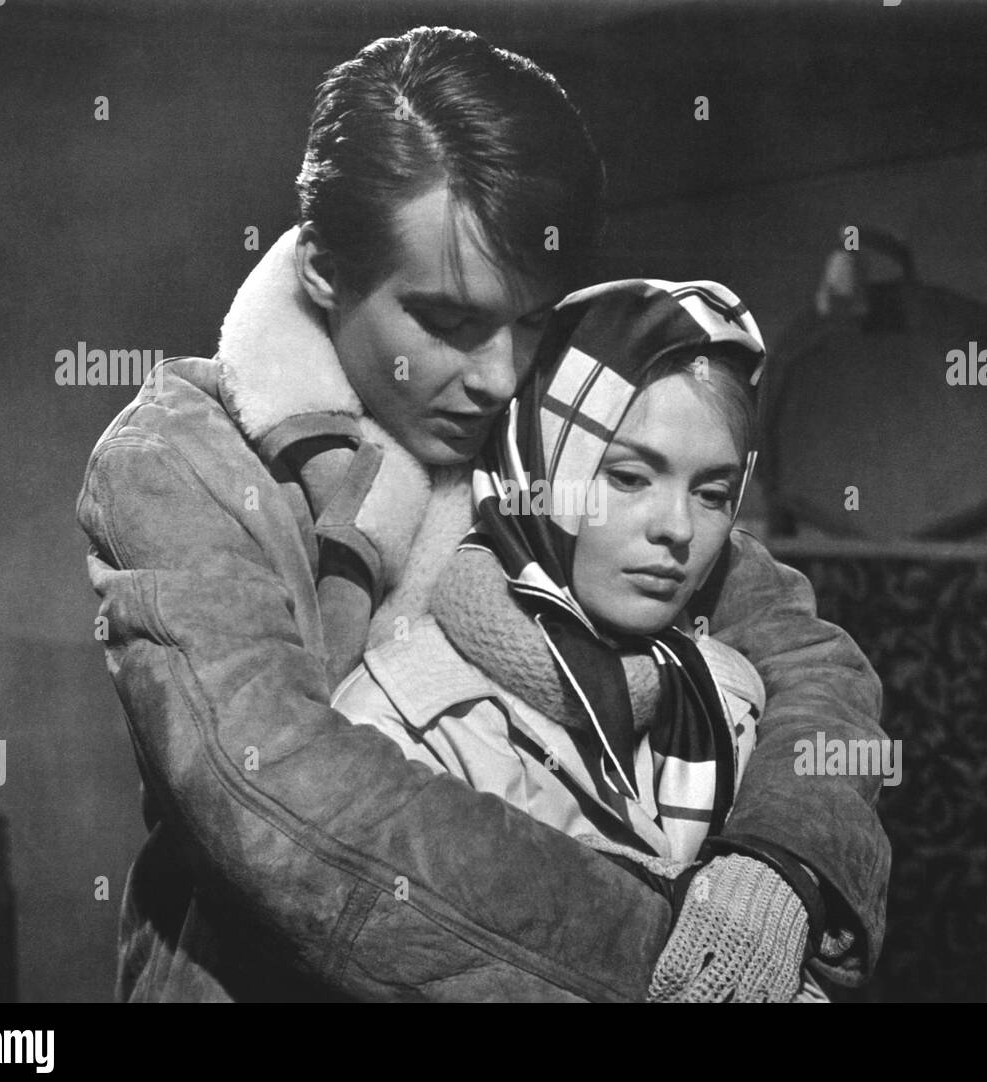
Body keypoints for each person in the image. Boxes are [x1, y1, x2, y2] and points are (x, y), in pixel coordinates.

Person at [76, 25, 889, 1002]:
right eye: (449, 322)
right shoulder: (180, 458)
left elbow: (814, 664)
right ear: (326, 271)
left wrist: (777, 869)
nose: (499, 377)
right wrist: (676, 960)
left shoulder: (567, 426)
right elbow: (280, 798)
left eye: (534, 320)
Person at [333, 278, 836, 1001]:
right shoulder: (396, 720)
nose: (677, 528)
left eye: (713, 492)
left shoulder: (736, 699)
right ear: (541, 468)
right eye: (629, 477)